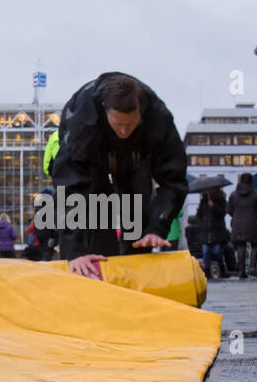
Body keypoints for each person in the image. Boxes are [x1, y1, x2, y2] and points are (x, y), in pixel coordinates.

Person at [51, 72, 188, 279]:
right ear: (104, 107)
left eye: (130, 124)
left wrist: (157, 228)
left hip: (135, 159)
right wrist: (74, 252)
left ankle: (137, 279)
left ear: (141, 112)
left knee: (138, 216)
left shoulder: (158, 117)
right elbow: (69, 186)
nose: (124, 131)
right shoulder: (82, 118)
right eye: (118, 124)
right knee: (97, 216)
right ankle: (100, 278)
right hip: (92, 160)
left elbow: (173, 179)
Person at [227, 173, 257, 278]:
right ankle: (252, 268)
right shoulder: (256, 194)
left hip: (237, 223)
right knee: (256, 244)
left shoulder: (234, 195)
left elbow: (229, 210)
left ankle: (241, 271)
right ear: (251, 181)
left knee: (240, 245)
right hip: (251, 222)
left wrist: (236, 215)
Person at [197, 187, 231, 279]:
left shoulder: (221, 201)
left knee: (217, 252)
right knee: (206, 252)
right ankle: (207, 272)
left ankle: (222, 268)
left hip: (217, 232)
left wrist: (214, 207)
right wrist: (202, 222)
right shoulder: (204, 202)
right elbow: (199, 214)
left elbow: (223, 213)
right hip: (206, 232)